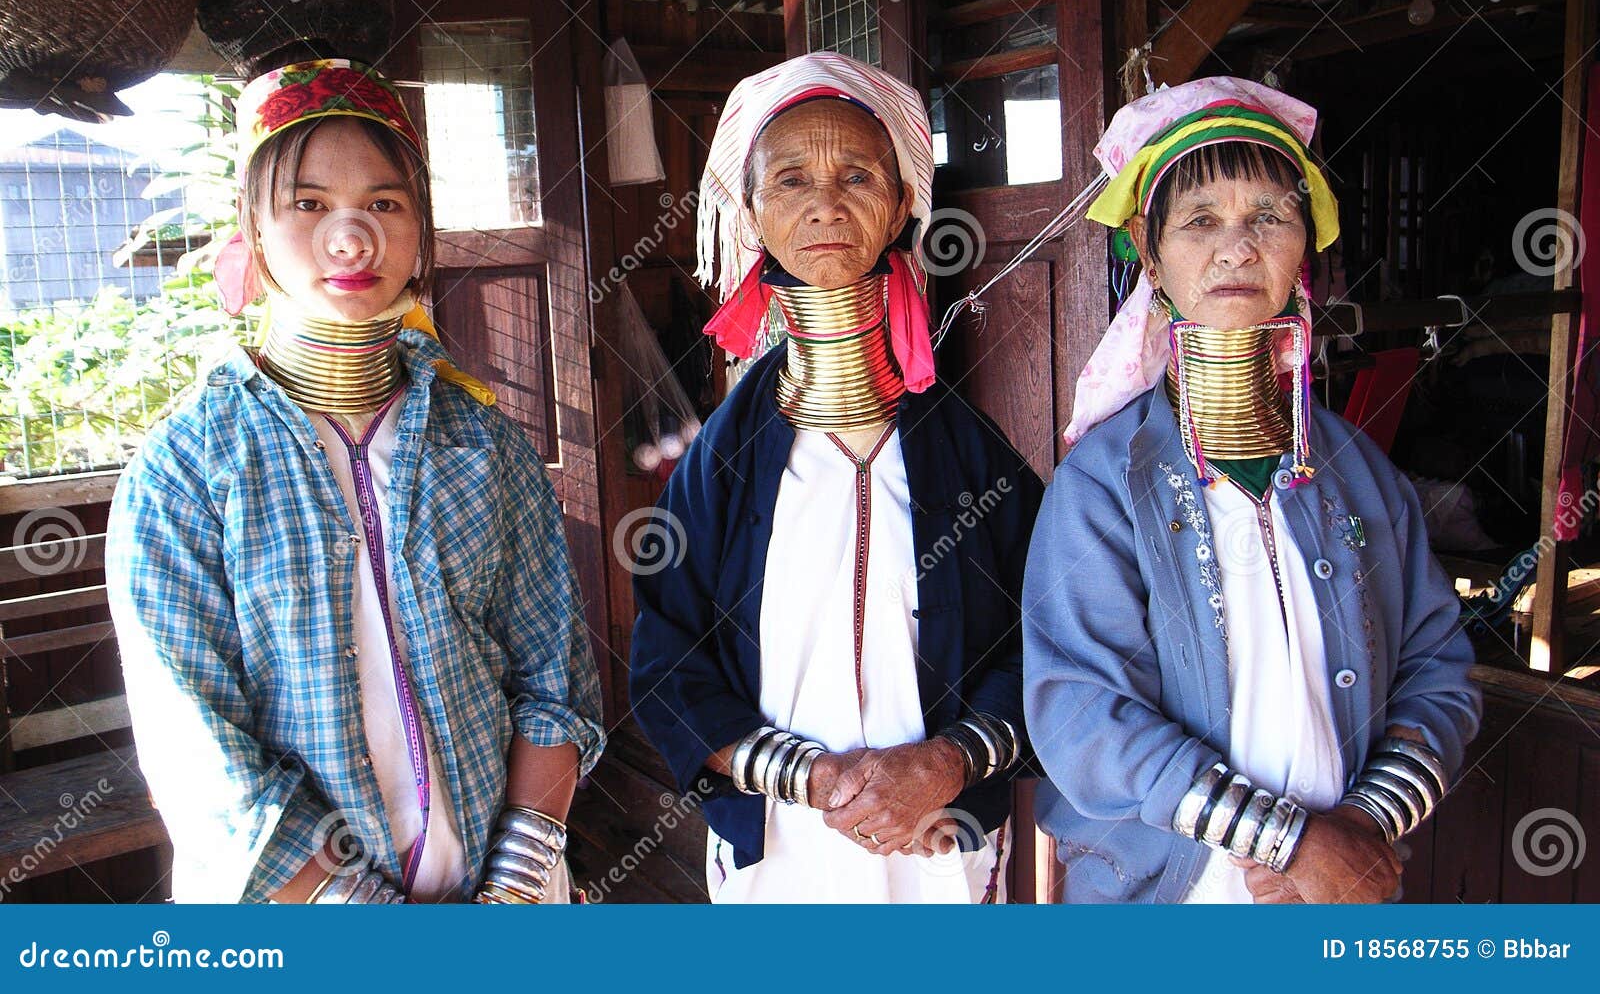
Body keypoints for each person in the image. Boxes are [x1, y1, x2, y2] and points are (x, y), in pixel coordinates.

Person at [106, 58, 604, 903]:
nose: (351, 236)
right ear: (252, 230)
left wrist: (515, 888)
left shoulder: (482, 443)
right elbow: (201, 755)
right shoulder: (186, 466)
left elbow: (555, 683)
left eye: (384, 203)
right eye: (308, 204)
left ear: (420, 237)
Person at [1022, 75, 1481, 903]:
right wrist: (1290, 843)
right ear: (1148, 248)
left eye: (1269, 215)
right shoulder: (1102, 486)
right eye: (1201, 220)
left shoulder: (1363, 477)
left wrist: (1363, 826)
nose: (1238, 246)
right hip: (1168, 902)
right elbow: (1081, 715)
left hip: (1340, 887)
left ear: (1305, 246)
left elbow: (1438, 667)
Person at [629, 51, 1041, 902]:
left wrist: (944, 763)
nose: (824, 203)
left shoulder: (975, 460)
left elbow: (1049, 645)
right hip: (783, 850)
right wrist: (810, 778)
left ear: (900, 206)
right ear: (751, 211)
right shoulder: (721, 467)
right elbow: (669, 668)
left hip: (943, 849)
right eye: (789, 180)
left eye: (857, 174)